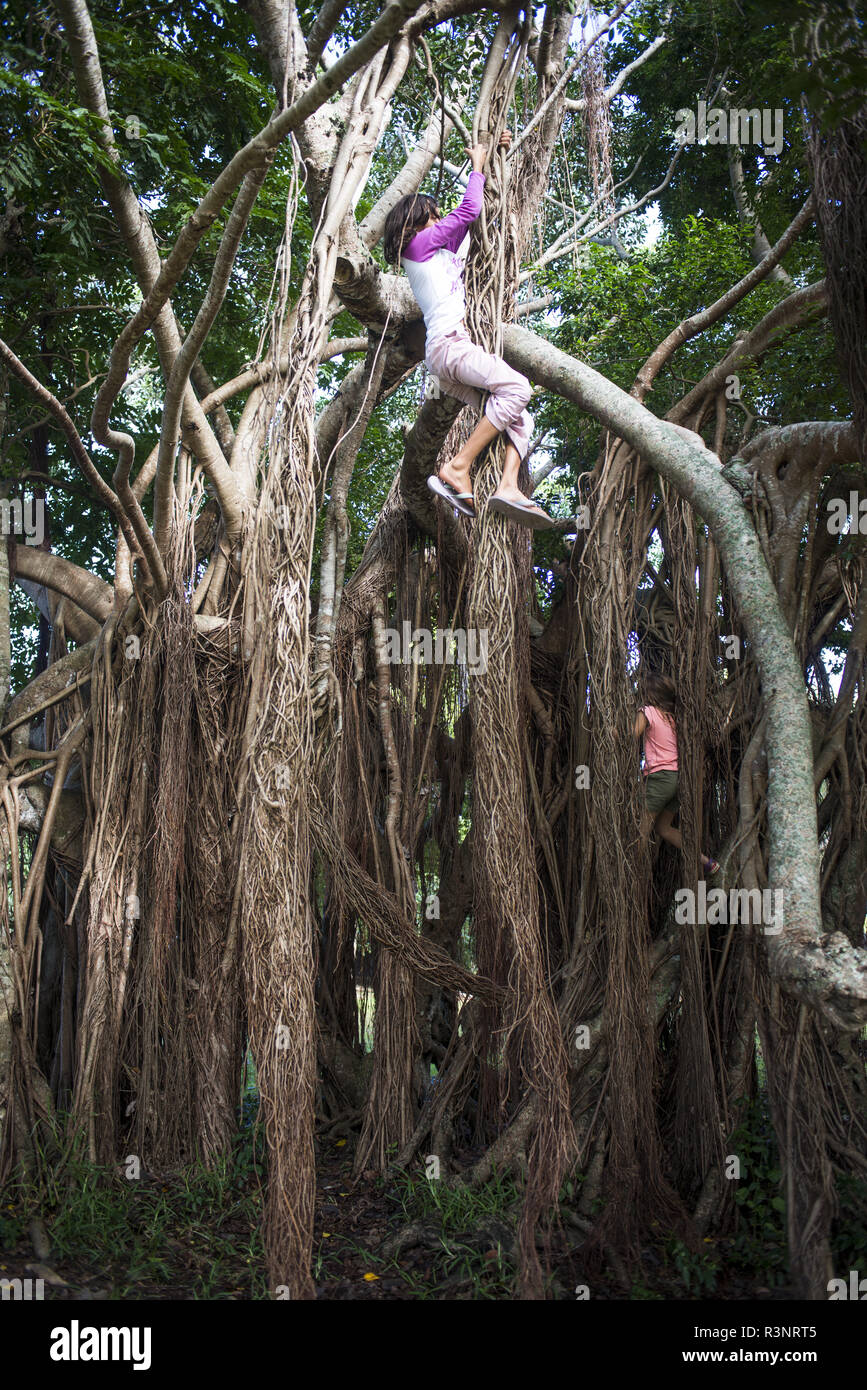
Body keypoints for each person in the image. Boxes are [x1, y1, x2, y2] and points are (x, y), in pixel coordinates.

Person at [383, 131, 554, 529]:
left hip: (444, 360)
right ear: (418, 218)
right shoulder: (416, 247)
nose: (439, 220)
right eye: (433, 214)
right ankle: (458, 467)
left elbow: (472, 225)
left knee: (520, 421)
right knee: (518, 388)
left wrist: (497, 157)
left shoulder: (434, 254)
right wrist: (476, 164)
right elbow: (468, 212)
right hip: (449, 347)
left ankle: (509, 487)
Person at [634, 672, 720, 875]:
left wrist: (614, 731)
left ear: (650, 694)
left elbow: (631, 734)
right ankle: (706, 861)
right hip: (678, 780)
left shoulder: (647, 711)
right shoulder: (673, 719)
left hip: (660, 778)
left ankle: (629, 875)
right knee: (664, 829)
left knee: (640, 829)